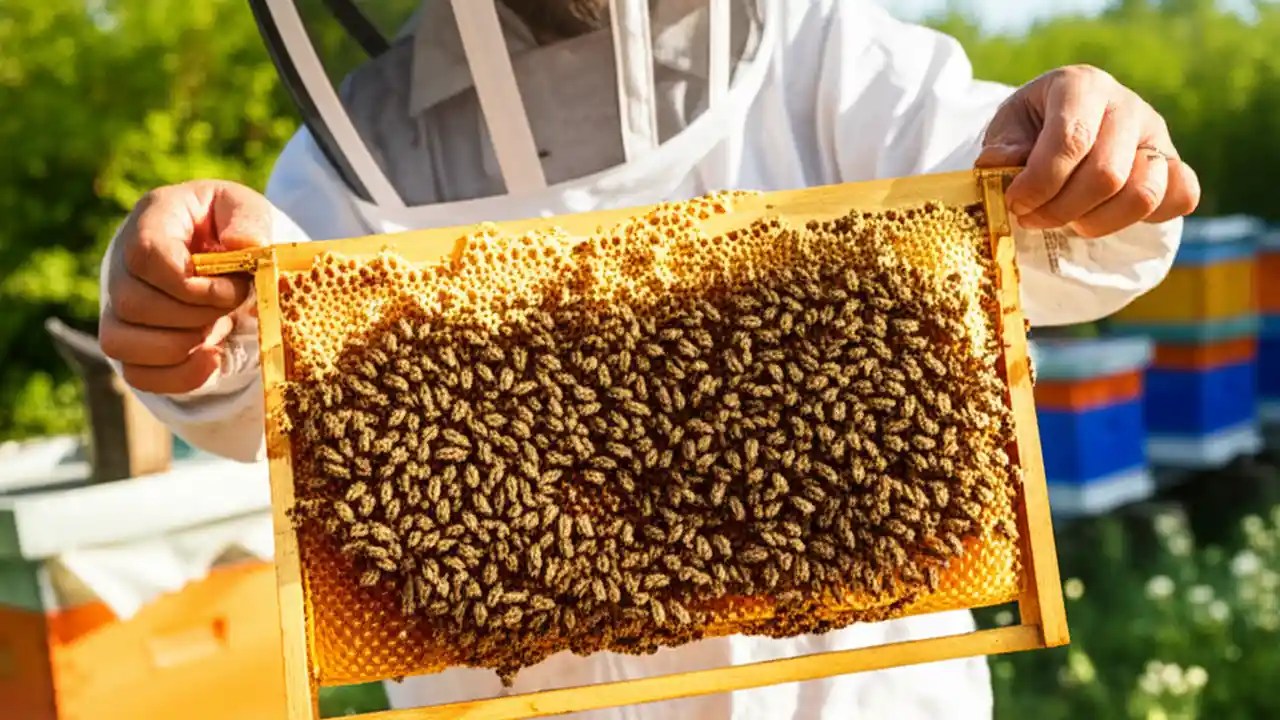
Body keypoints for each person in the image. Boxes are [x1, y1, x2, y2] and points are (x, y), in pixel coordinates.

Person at [97, 1, 1200, 717]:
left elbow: (1042, 245)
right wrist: (200, 309)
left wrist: (1091, 161)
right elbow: (263, 399)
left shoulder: (830, 59)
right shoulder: (345, 160)